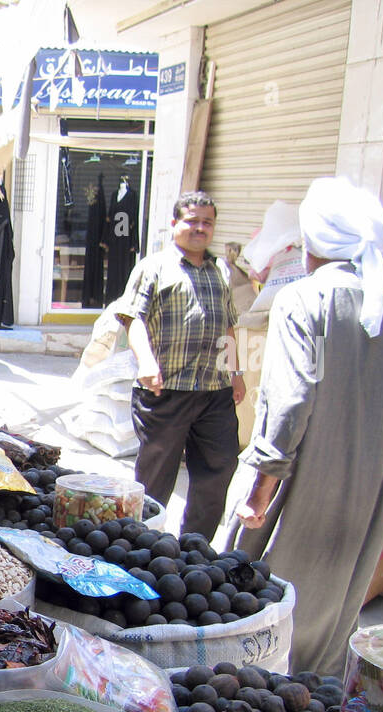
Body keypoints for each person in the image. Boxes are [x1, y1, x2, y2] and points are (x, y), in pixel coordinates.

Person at [225, 177, 383, 676]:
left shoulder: (304, 299)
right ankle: (309, 706)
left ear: (312, 242)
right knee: (336, 598)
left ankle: (248, 701)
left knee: (257, 596)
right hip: (369, 485)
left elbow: (290, 401)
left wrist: (261, 487)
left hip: (300, 479)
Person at [119, 190, 242, 540]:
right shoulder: (154, 267)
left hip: (214, 391)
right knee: (156, 479)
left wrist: (236, 372)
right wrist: (146, 362)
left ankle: (194, 546)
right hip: (165, 390)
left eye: (208, 222)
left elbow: (230, 324)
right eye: (192, 221)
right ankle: (141, 543)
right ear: (174, 224)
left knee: (218, 470)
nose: (200, 228)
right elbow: (134, 319)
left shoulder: (220, 271)